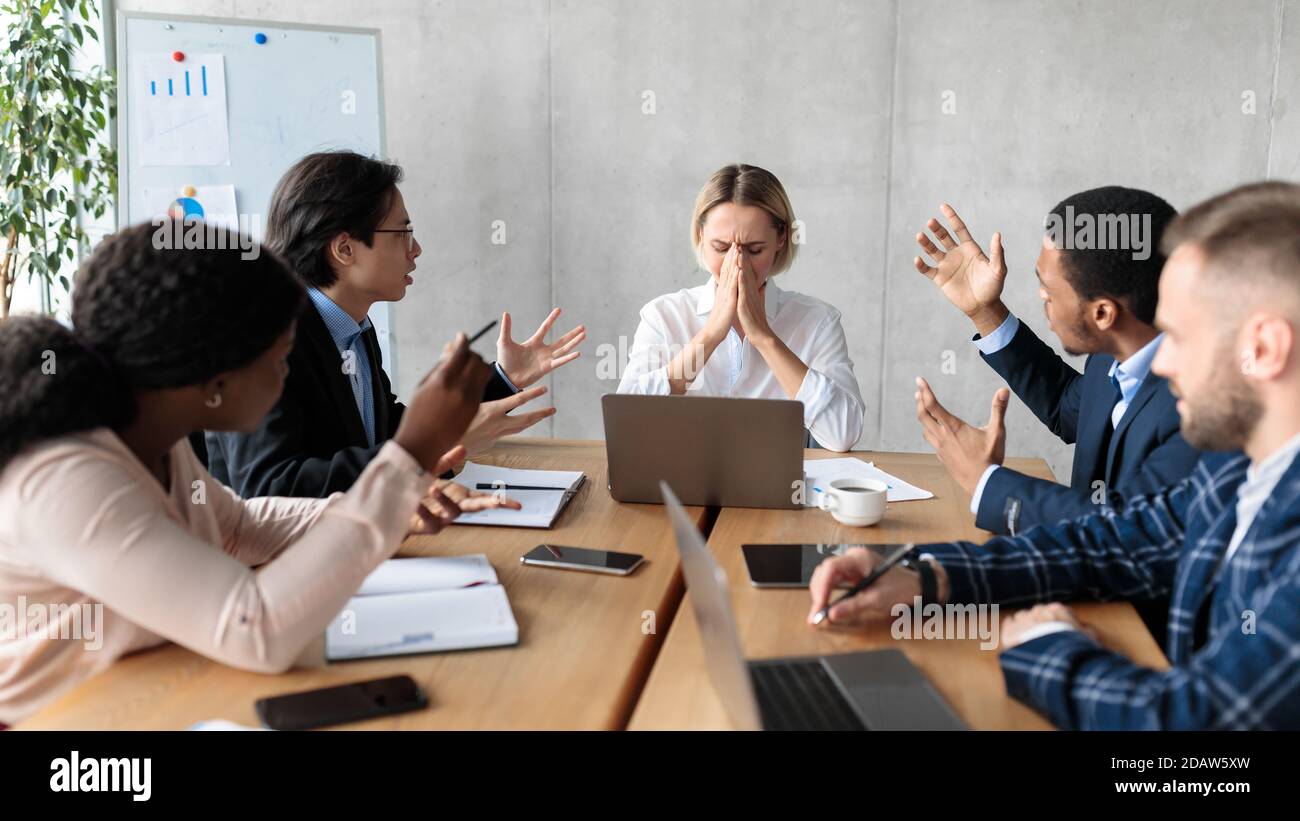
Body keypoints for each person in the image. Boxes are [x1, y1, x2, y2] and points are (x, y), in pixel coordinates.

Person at [809, 182, 1300, 730]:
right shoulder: (1239, 470)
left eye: (1182, 336)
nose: (1160, 364)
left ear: (1265, 348)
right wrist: (926, 575)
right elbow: (1115, 540)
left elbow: (1192, 730)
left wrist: (1047, 643)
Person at [0, 221, 511, 725]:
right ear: (213, 377)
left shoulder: (154, 433)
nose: (287, 373)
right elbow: (255, 627)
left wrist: (389, 505)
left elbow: (238, 528)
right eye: (281, 357)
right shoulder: (66, 479)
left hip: (152, 697)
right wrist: (411, 453)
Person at [205, 151, 586, 497]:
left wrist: (501, 377)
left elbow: (387, 431)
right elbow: (271, 487)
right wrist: (433, 450)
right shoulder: (259, 338)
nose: (415, 249)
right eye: (402, 233)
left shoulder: (353, 327)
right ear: (345, 249)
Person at [911, 188, 1199, 536]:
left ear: (1103, 313)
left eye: (1049, 289)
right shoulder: (1113, 354)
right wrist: (985, 311)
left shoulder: (1199, 409)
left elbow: (1126, 529)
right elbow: (1068, 409)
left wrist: (987, 482)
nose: (1041, 296)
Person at [616, 163, 865, 452]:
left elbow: (843, 433)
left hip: (780, 492)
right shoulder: (663, 316)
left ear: (781, 240)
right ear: (700, 237)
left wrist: (764, 338)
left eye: (755, 249)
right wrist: (709, 337)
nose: (737, 264)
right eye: (721, 248)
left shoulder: (818, 322)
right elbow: (626, 425)